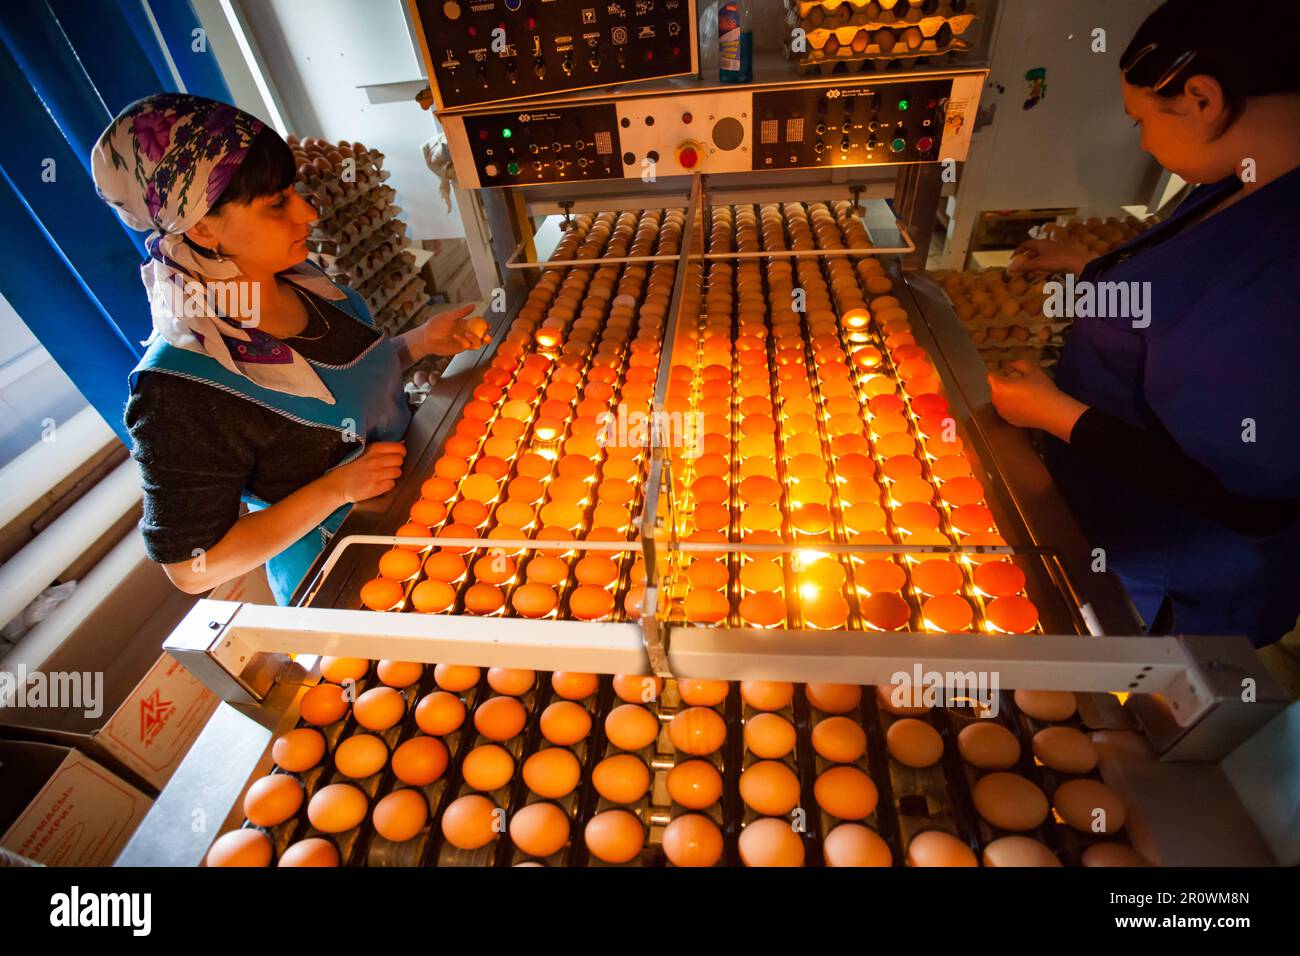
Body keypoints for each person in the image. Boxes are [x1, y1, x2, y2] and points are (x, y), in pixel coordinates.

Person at [92, 94, 489, 605]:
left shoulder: (304, 283)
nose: (307, 210)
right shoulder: (178, 387)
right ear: (204, 228)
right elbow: (191, 568)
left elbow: (338, 385)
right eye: (276, 203)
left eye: (293, 190)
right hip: (350, 579)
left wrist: (418, 343)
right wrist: (337, 489)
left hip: (426, 506)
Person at [988, 0, 1300, 647]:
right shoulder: (1246, 179)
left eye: (1140, 121)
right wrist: (1098, 265)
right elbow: (1185, 277)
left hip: (1176, 565)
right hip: (1103, 508)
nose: (1144, 143)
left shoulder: (1277, 275)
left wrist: (1054, 413)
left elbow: (1248, 496)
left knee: (1137, 692)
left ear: (1201, 99)